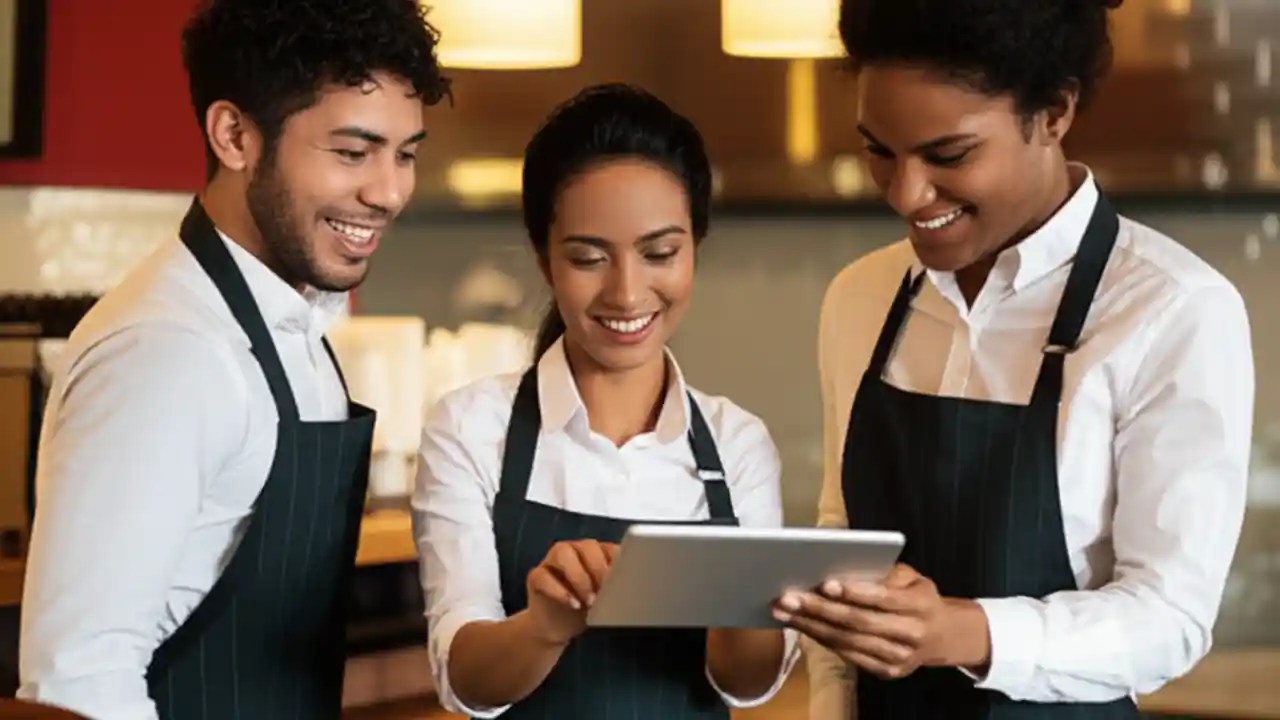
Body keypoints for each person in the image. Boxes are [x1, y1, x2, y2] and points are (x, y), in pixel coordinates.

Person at [776, 0, 1256, 718]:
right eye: (879, 150)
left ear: (1054, 112)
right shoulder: (861, 297)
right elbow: (841, 538)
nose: (907, 193)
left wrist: (957, 632)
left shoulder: (1172, 310)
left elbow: (1169, 620)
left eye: (949, 155)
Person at [17, 1, 450, 718]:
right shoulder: (167, 352)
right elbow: (81, 680)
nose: (389, 191)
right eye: (352, 152)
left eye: (404, 154)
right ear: (233, 134)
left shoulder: (293, 323)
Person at [413, 83, 800, 719]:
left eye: (660, 253)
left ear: (694, 248)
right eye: (589, 257)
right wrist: (543, 626)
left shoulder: (737, 443)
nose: (626, 293)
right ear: (545, 260)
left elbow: (749, 683)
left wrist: (749, 605)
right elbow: (466, 679)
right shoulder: (471, 427)